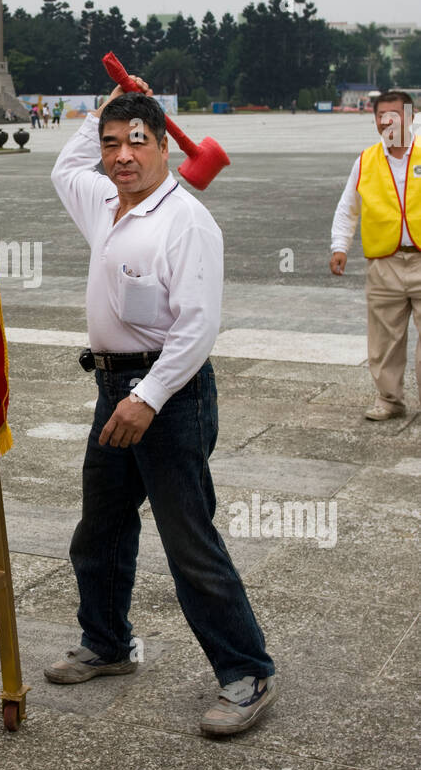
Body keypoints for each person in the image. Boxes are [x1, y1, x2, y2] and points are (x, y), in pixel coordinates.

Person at [46, 81, 276, 736]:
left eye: (136, 142)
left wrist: (147, 398)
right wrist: (103, 106)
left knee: (188, 542)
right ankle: (108, 644)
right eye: (111, 144)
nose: (121, 156)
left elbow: (197, 327)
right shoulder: (104, 204)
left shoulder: (187, 222)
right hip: (113, 389)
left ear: (163, 149)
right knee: (102, 527)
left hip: (171, 399)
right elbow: (66, 168)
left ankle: (247, 672)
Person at [330, 89, 421, 420]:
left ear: (410, 117)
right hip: (385, 264)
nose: (388, 122)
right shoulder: (366, 160)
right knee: (384, 340)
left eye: (395, 115)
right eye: (381, 116)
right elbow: (347, 208)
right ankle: (390, 400)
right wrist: (340, 246)